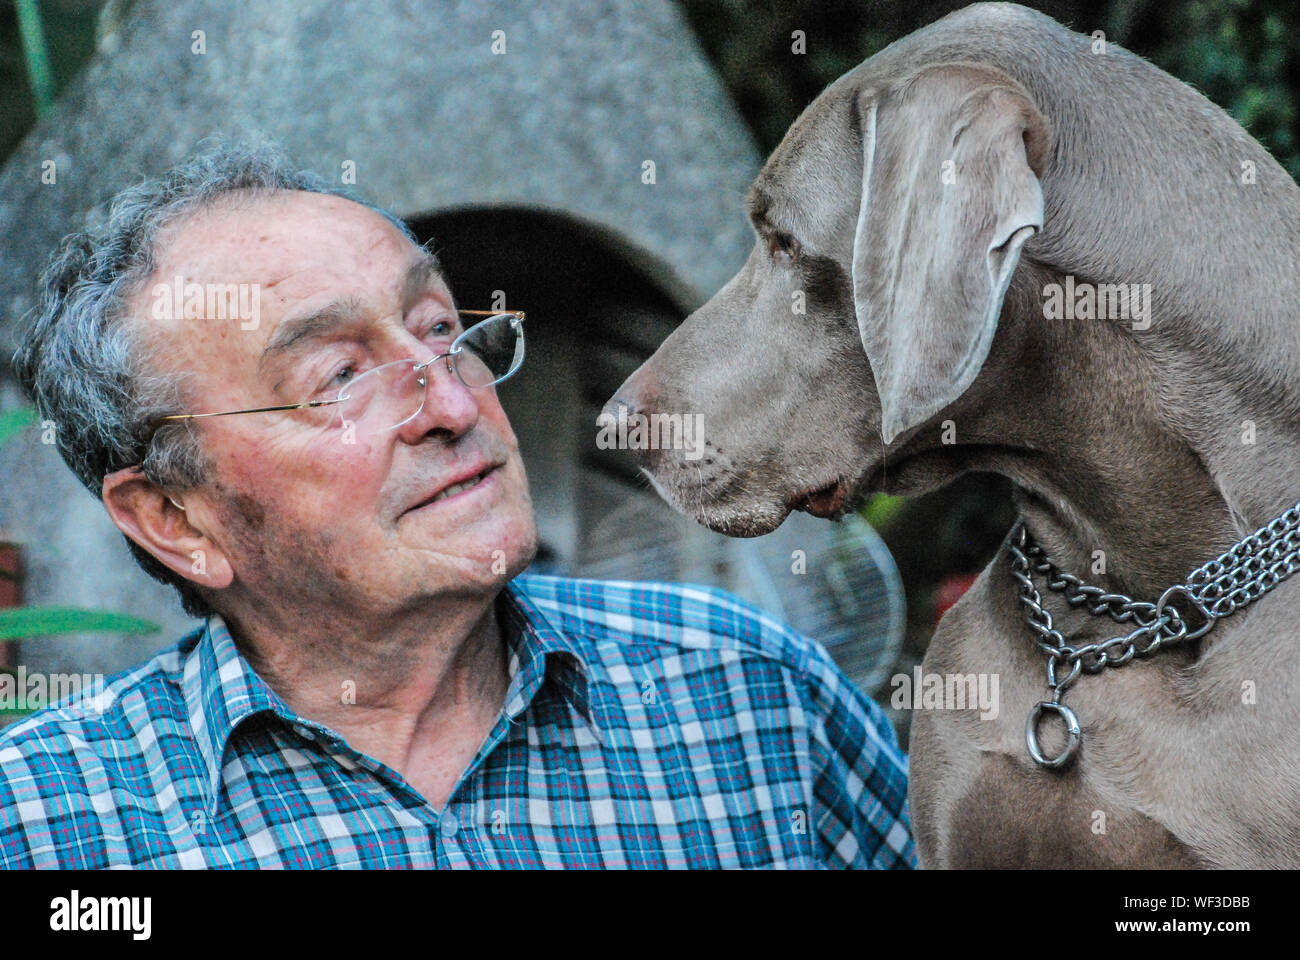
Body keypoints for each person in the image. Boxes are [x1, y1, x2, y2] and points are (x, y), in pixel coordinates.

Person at [0, 142, 915, 868]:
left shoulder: (753, 698)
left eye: (441, 328)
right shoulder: (47, 826)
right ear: (176, 520)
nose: (452, 402)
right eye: (340, 376)